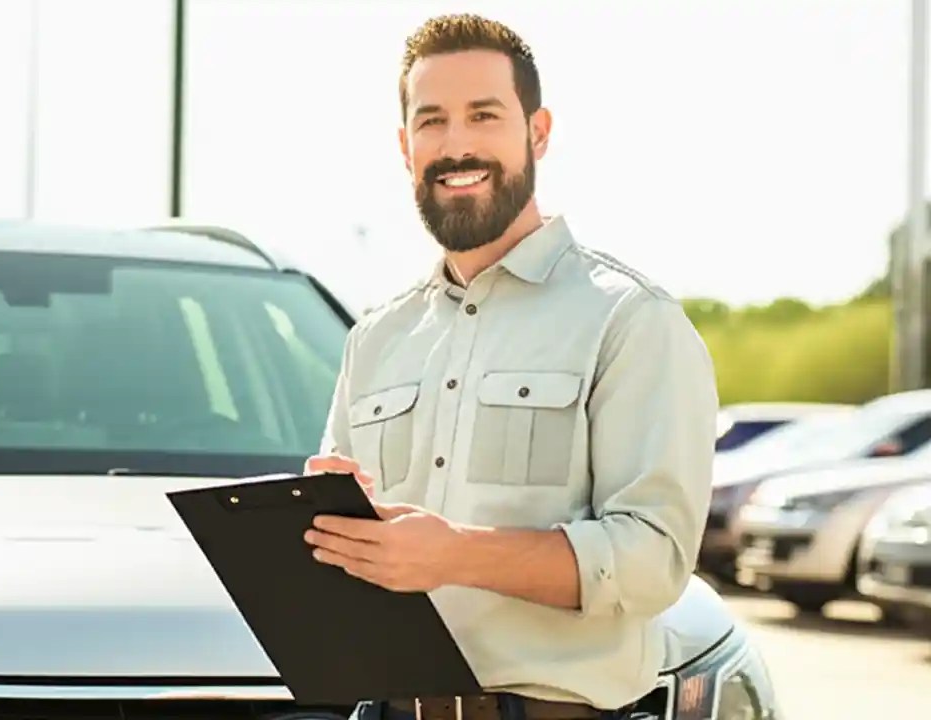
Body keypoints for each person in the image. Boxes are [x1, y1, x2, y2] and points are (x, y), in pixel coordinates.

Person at [302, 12, 718, 720]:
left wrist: (453, 555)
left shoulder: (629, 320)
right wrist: (328, 525)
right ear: (406, 147)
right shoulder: (375, 336)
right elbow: (352, 557)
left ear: (539, 131)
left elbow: (652, 562)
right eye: (432, 121)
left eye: (483, 115)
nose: (456, 144)